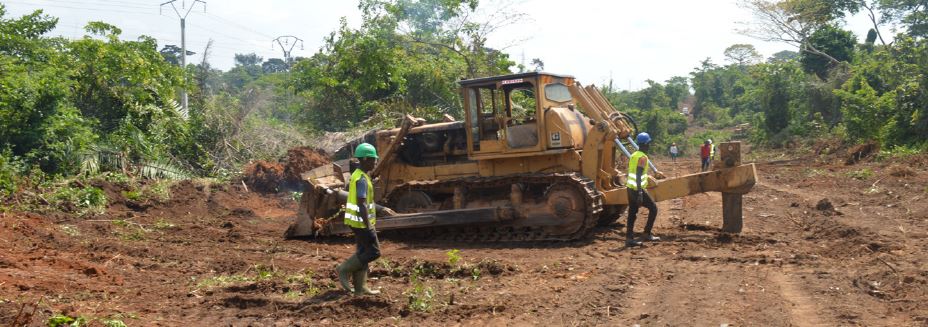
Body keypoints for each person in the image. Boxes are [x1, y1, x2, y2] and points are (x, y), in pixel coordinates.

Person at [336, 143, 382, 295]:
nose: (375, 162)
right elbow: (361, 203)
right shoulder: (361, 178)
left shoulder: (359, 175)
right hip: (361, 223)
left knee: (363, 252)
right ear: (366, 159)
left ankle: (360, 288)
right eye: (374, 159)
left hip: (357, 221)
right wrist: (368, 225)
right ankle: (344, 269)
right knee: (374, 252)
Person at [625, 132, 661, 247]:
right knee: (654, 208)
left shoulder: (634, 155)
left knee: (632, 212)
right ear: (645, 144)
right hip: (637, 189)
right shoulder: (643, 157)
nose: (649, 145)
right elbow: (639, 174)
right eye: (649, 143)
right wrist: (640, 192)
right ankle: (647, 233)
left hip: (630, 188)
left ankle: (629, 238)